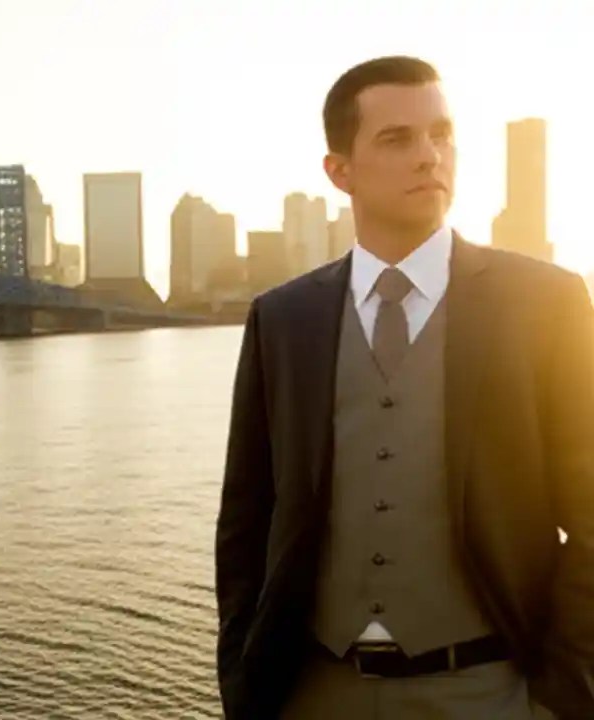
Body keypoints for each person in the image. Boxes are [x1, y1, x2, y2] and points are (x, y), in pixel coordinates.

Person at [213, 55, 594, 719]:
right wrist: (243, 680)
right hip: (311, 692)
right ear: (340, 171)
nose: (429, 157)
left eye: (441, 135)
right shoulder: (283, 317)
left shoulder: (548, 302)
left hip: (488, 692)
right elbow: (246, 519)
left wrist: (560, 698)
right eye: (398, 139)